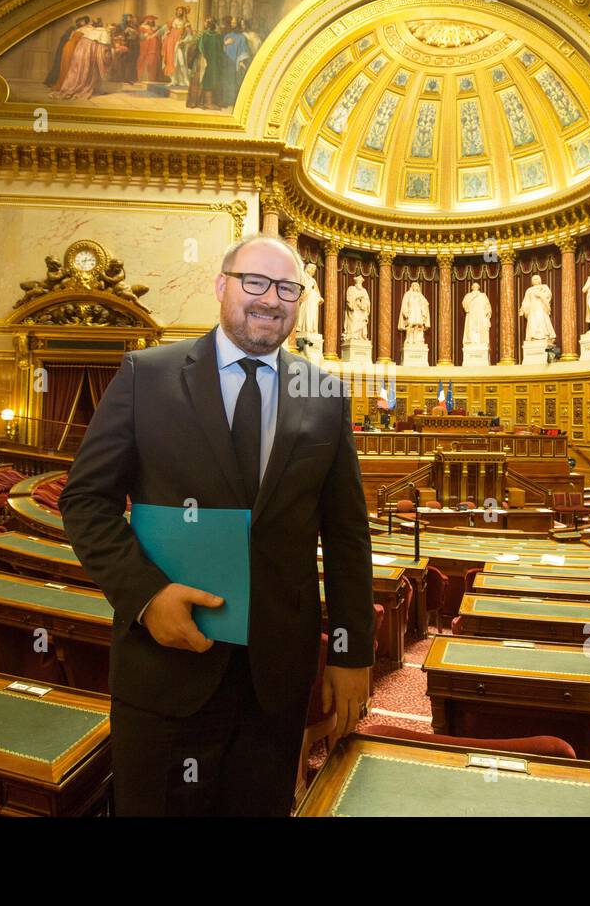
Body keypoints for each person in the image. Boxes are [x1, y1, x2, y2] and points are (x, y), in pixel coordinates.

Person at [60, 234, 374, 816]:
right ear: (221, 286)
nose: (269, 299)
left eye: (286, 289)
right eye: (254, 282)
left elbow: (347, 533)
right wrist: (146, 595)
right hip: (166, 665)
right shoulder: (145, 376)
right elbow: (85, 501)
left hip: (274, 678)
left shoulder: (324, 392)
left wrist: (351, 652)